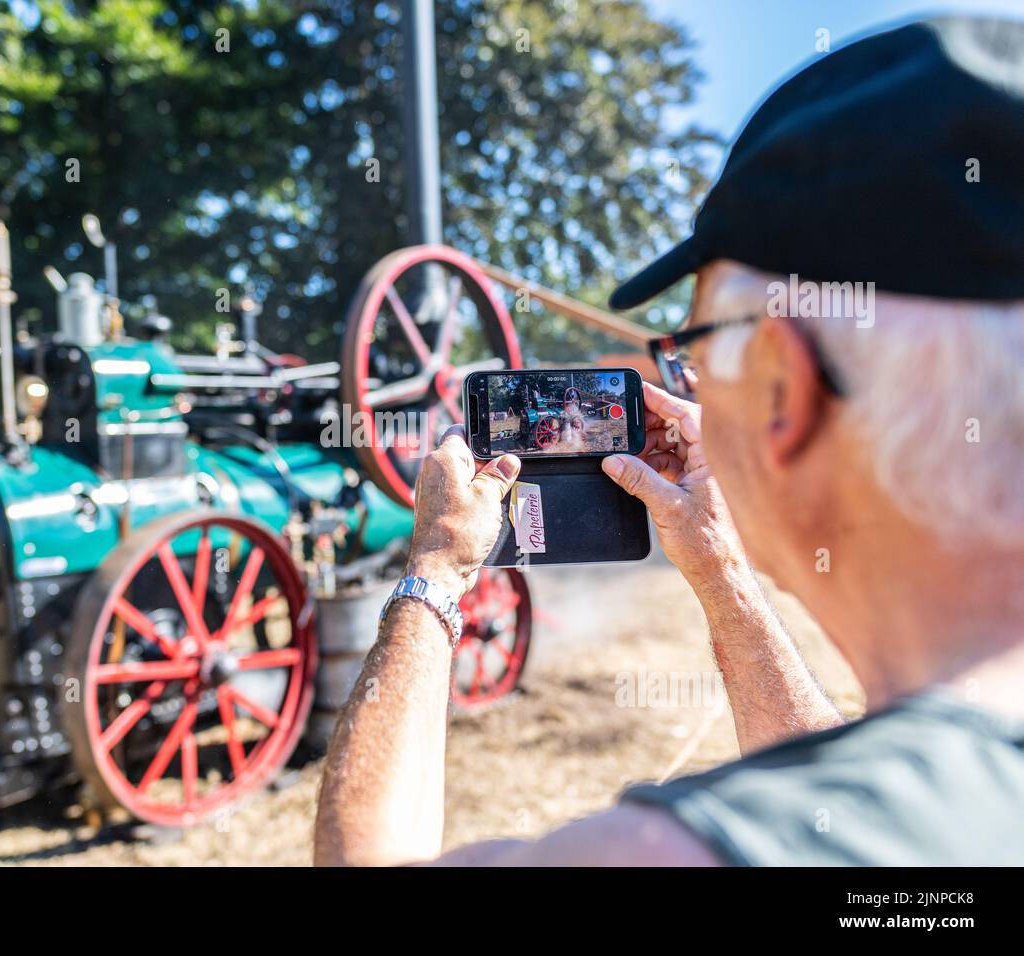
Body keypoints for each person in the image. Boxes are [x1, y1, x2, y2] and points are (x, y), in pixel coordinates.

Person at [314, 15, 1024, 866]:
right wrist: (720, 569)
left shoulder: (670, 851)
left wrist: (433, 570)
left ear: (781, 390)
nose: (681, 387)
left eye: (689, 350)